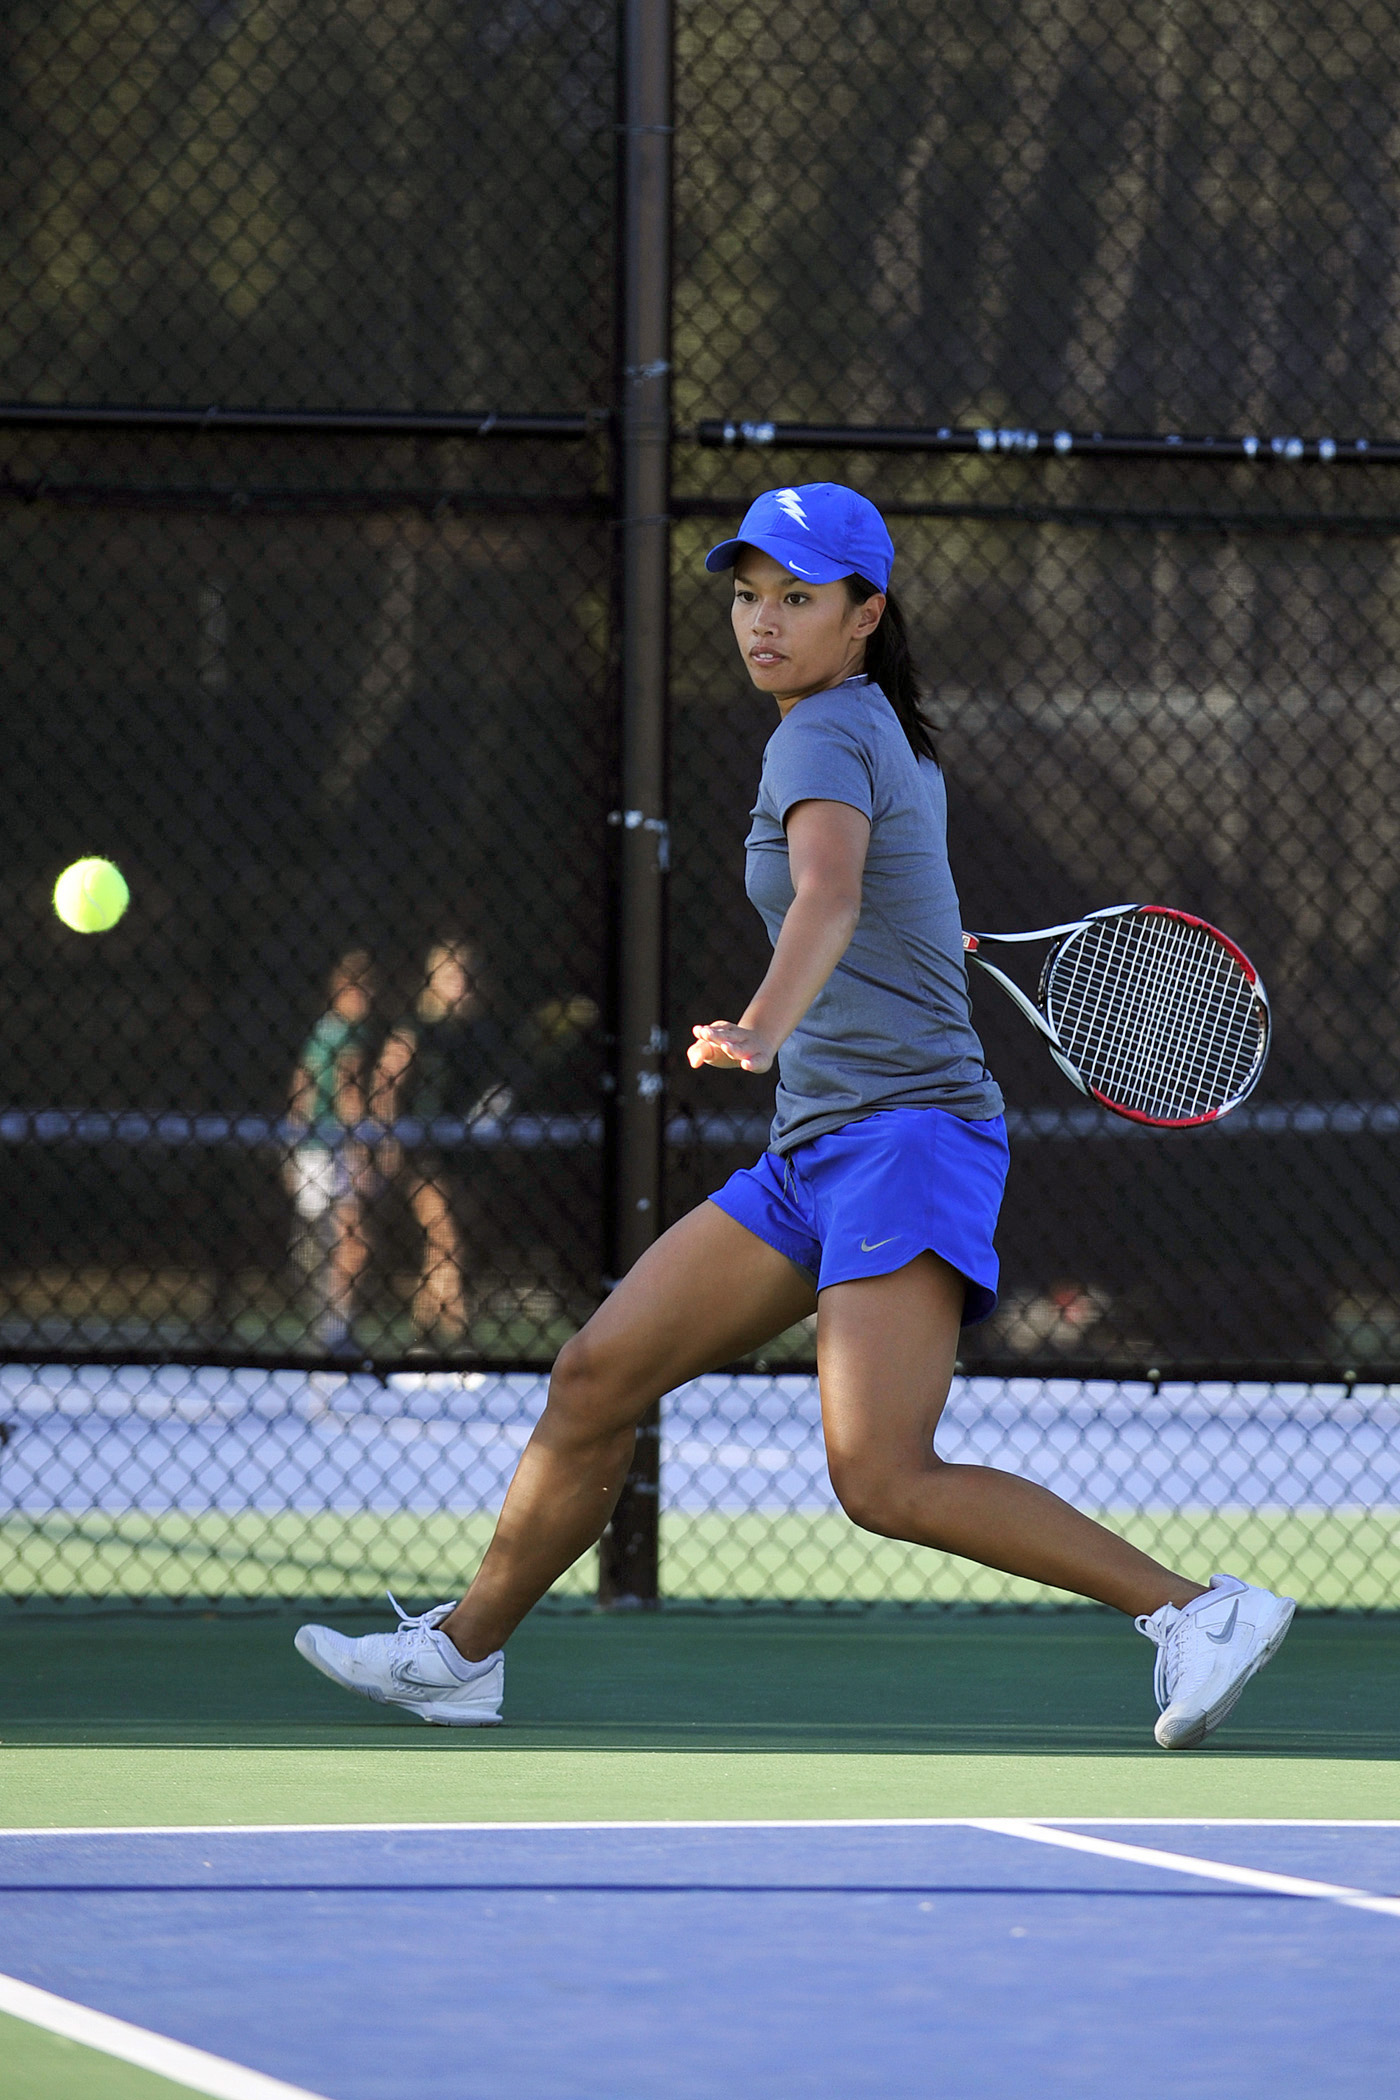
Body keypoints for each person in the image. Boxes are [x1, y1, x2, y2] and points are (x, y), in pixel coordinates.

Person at [295, 483, 1295, 1748]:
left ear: (864, 614)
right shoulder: (879, 734)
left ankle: (1196, 1611)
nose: (761, 624)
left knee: (880, 1475)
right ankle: (461, 1655)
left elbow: (822, 897)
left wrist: (761, 1027)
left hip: (901, 1137)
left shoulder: (822, 735)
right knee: (597, 1373)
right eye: (745, 596)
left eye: (798, 599)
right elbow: (863, 903)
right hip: (815, 1151)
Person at [370, 939, 514, 1347]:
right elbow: (385, 1083)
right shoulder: (415, 1026)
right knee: (447, 1239)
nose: (460, 982)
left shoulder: (481, 1031)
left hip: (466, 1152)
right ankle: (459, 1333)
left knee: (442, 1246)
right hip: (423, 1151)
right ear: (433, 980)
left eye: (467, 974)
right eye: (452, 974)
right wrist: (387, 1138)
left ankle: (422, 1335)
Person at [284, 949, 377, 1353]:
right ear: (344, 990)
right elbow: (348, 1093)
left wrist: (291, 1144)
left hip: (309, 1148)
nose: (367, 999)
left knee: (332, 1237)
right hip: (330, 1149)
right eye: (362, 990)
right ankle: (336, 1327)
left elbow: (299, 1086)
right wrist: (359, 1152)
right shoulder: (348, 1036)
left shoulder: (322, 1030)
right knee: (352, 1239)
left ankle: (330, 1322)